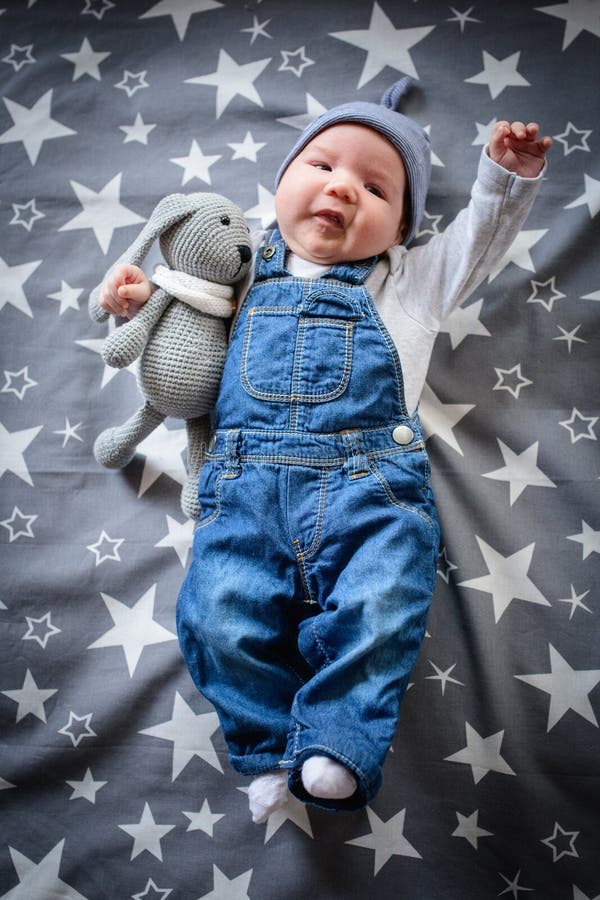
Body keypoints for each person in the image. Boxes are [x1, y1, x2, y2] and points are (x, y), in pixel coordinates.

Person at [98, 79, 552, 823]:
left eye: (376, 187)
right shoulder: (241, 266)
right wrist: (135, 300)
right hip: (242, 484)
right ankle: (271, 744)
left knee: (382, 607)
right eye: (322, 167)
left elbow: (480, 236)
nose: (343, 189)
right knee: (214, 618)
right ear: (281, 183)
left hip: (369, 489)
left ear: (402, 227)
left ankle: (338, 741)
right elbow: (183, 324)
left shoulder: (409, 281)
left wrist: (507, 174)